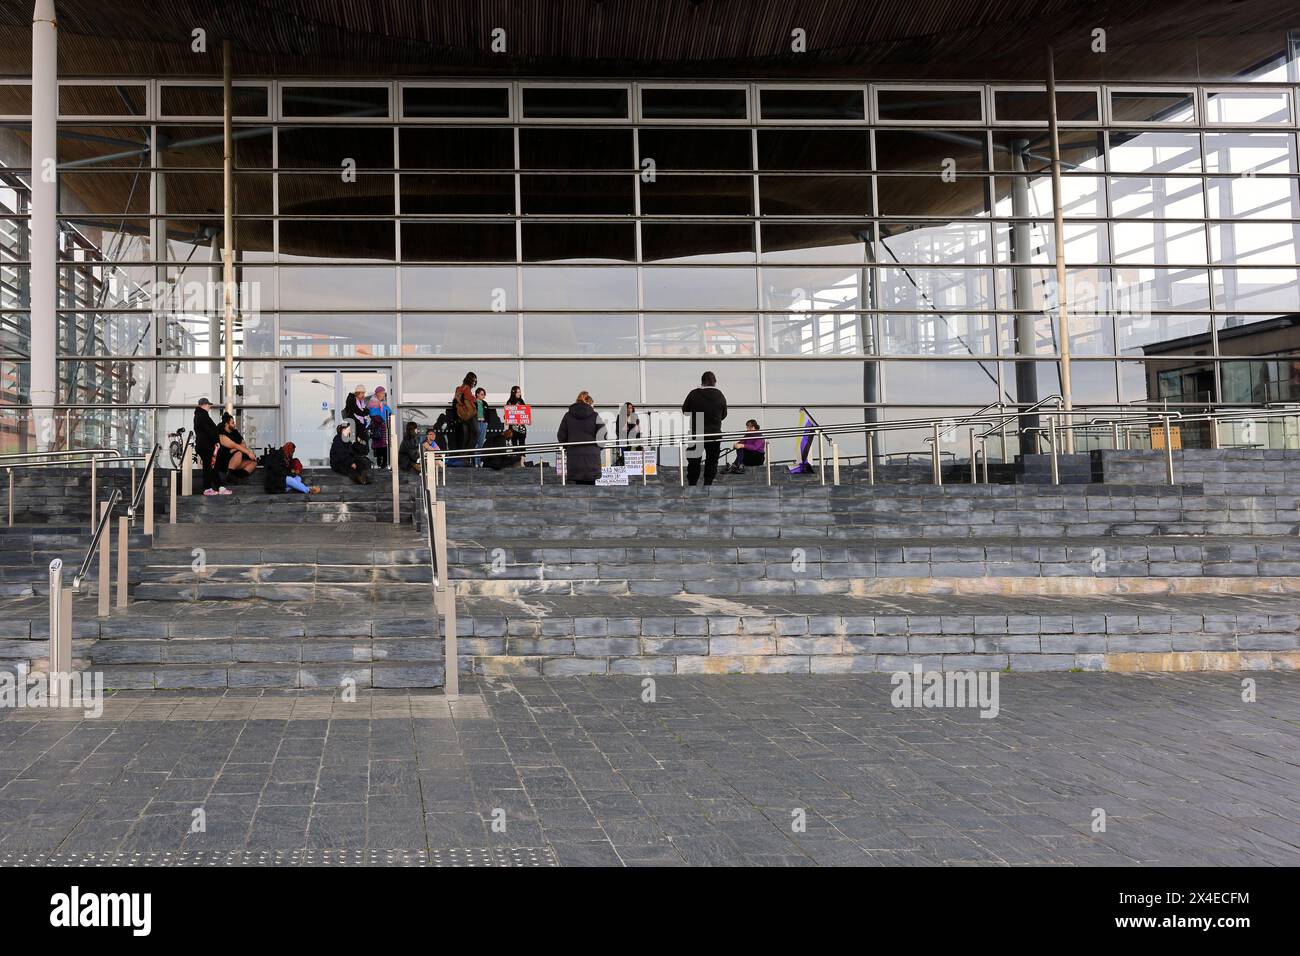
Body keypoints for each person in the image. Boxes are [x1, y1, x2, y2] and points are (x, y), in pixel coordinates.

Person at [681, 370, 727, 487]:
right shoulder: (720, 395)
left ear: (702, 382)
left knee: (694, 460)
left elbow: (685, 411)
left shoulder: (694, 394)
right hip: (714, 433)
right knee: (712, 460)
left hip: (697, 432)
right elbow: (724, 415)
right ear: (714, 382)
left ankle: (692, 484)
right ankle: (708, 484)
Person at [556, 390, 602, 484]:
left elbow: (561, 435)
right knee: (592, 494)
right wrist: (597, 448)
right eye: (593, 405)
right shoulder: (595, 416)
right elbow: (603, 436)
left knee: (575, 493)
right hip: (592, 459)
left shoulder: (568, 416)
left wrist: (568, 448)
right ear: (589, 404)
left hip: (574, 459)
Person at [193, 398, 230, 496]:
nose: (209, 407)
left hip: (204, 445)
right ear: (204, 405)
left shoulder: (199, 415)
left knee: (211, 466)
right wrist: (216, 441)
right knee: (209, 466)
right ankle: (209, 488)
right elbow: (209, 430)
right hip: (206, 446)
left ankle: (218, 487)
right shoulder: (203, 415)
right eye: (208, 405)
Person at [215, 413, 257, 484]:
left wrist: (235, 449)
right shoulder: (220, 431)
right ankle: (229, 474)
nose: (234, 424)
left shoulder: (235, 431)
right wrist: (239, 449)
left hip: (235, 460)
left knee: (253, 462)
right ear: (226, 424)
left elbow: (243, 444)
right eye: (232, 423)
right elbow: (232, 444)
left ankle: (236, 477)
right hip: (223, 461)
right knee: (239, 453)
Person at [452, 372, 478, 461]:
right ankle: (466, 454)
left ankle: (463, 455)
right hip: (470, 414)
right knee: (476, 433)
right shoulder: (467, 388)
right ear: (470, 379)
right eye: (474, 380)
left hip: (463, 416)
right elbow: (469, 399)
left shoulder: (460, 388)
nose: (474, 382)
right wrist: (475, 398)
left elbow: (458, 401)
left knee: (466, 436)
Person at [368, 391, 392, 468]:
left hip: (383, 430)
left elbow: (390, 413)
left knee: (383, 448)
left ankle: (382, 464)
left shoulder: (384, 405)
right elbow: (373, 415)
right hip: (378, 430)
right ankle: (380, 464)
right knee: (380, 448)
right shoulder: (374, 405)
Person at [505, 385, 528, 453]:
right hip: (513, 427)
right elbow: (507, 415)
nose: (519, 394)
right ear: (514, 393)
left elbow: (525, 412)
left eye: (519, 392)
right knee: (514, 444)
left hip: (521, 426)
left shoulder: (521, 401)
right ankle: (515, 460)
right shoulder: (509, 402)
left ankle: (522, 460)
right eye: (517, 392)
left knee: (522, 443)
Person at [473, 387, 492, 465]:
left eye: (484, 394)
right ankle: (475, 463)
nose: (483, 396)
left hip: (483, 423)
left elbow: (488, 414)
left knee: (481, 443)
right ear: (477, 394)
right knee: (476, 443)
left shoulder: (485, 403)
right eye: (482, 394)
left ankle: (479, 462)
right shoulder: (473, 403)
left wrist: (487, 422)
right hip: (476, 423)